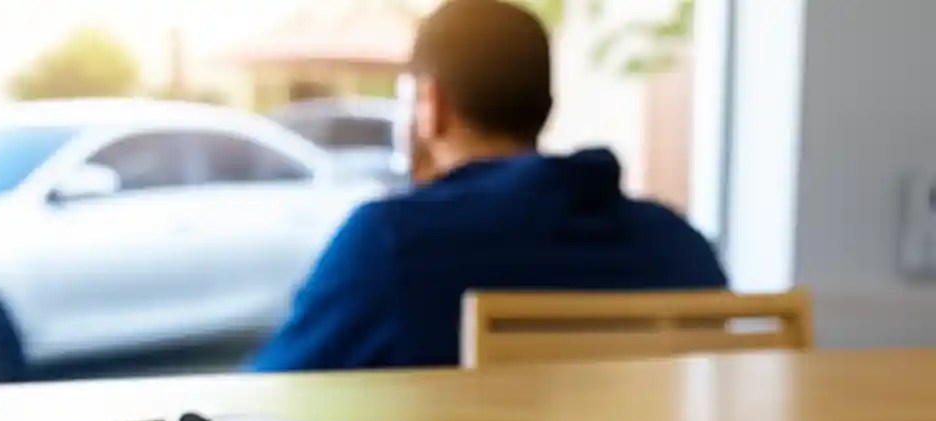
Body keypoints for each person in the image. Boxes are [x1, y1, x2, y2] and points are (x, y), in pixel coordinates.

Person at [252, 0, 727, 372]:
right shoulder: (680, 246)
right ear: (546, 107)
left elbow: (271, 398)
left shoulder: (392, 245)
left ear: (431, 103)